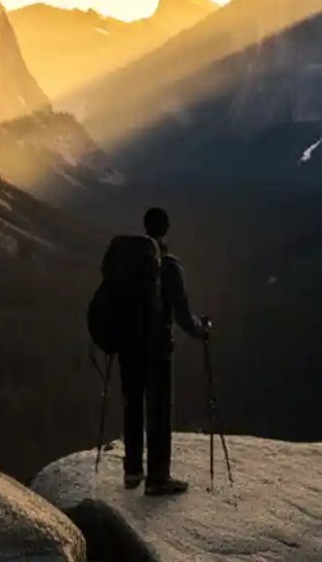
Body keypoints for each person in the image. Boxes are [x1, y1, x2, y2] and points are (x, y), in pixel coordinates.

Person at [121, 207, 210, 496]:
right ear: (165, 229)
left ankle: (132, 470)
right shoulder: (168, 266)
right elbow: (183, 316)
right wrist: (202, 330)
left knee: (133, 404)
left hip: (128, 345)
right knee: (158, 411)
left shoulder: (126, 262)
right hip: (157, 349)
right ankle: (158, 478)